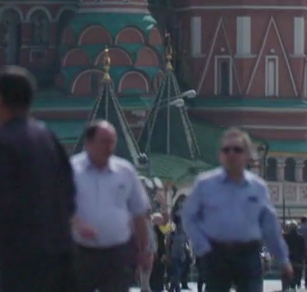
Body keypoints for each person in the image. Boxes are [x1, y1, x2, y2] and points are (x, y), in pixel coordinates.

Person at [0, 66, 74, 292]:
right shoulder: (47, 136)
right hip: (57, 250)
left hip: (20, 254)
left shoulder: (2, 140)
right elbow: (69, 190)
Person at [179, 128, 290, 292]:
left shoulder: (258, 187)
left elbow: (270, 225)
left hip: (248, 254)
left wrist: (283, 259)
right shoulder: (205, 184)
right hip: (216, 253)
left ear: (247, 155)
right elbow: (189, 217)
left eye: (237, 150)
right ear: (220, 155)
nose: (231, 154)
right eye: (226, 150)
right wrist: (202, 246)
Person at [70, 119, 152, 292]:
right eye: (103, 142)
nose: (109, 147)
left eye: (112, 142)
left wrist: (145, 249)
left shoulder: (125, 171)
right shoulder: (72, 170)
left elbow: (139, 213)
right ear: (88, 143)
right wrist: (77, 223)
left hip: (117, 253)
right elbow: (58, 207)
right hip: (80, 252)